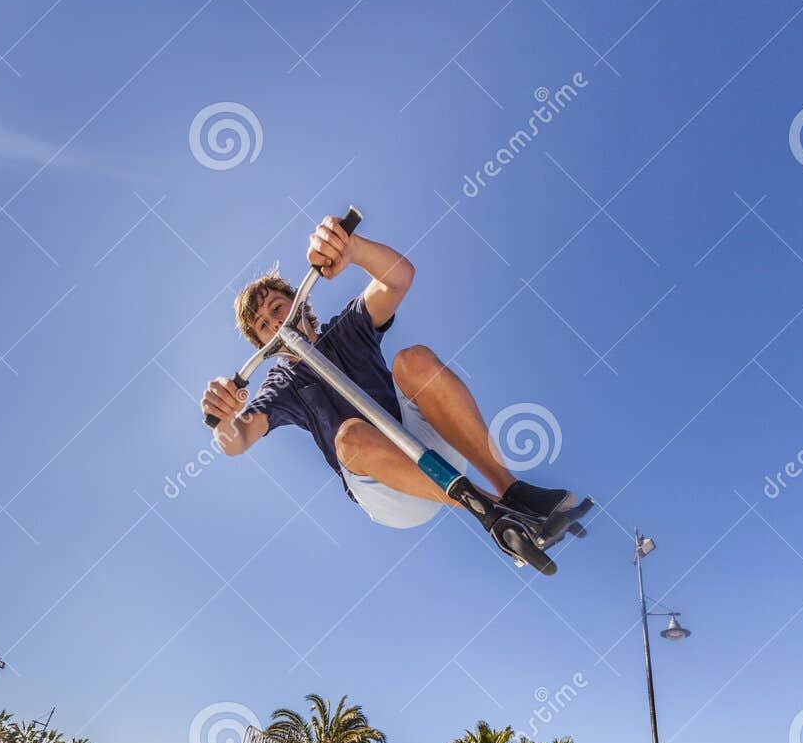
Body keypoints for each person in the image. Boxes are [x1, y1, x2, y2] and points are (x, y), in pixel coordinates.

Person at [202, 215, 579, 533]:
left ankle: (511, 492)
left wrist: (353, 250)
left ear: (300, 302)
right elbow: (238, 439)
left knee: (411, 360)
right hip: (389, 489)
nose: (276, 324)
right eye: (265, 326)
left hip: (429, 444)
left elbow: (398, 279)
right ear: (262, 345)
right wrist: (223, 419)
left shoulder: (347, 328)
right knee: (347, 436)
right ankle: (491, 511)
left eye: (278, 308)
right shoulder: (280, 386)